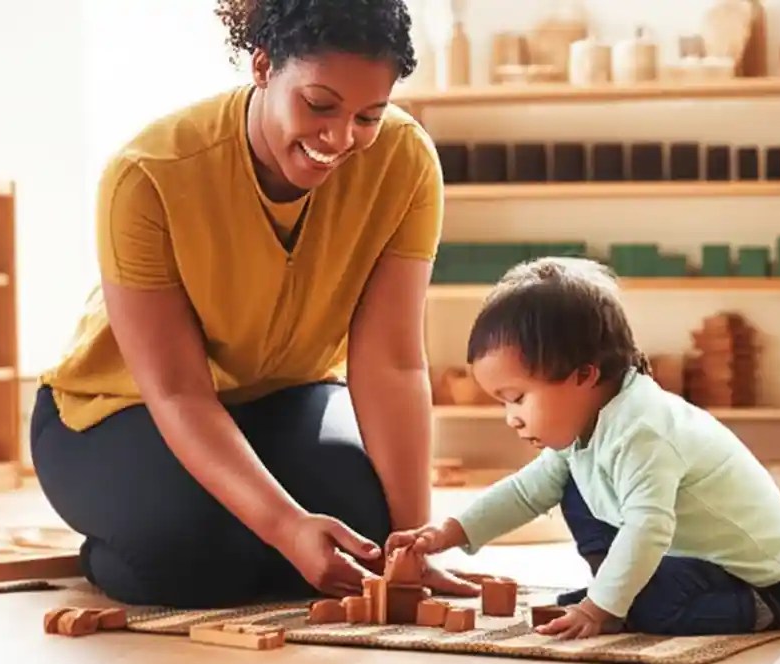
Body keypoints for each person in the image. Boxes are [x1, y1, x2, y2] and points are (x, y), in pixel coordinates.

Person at [30, 0, 482, 609]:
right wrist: (285, 525)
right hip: (117, 410)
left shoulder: (404, 161)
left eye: (368, 116)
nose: (341, 139)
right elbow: (178, 392)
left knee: (368, 534)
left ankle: (252, 536)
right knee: (193, 555)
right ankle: (121, 540)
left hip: (280, 397)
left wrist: (411, 548)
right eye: (319, 105)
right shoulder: (147, 175)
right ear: (263, 67)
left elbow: (392, 363)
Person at [387, 257, 780, 638]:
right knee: (567, 486)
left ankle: (776, 611)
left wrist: (598, 609)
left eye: (519, 398)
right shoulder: (588, 422)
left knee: (651, 610)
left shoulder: (643, 431)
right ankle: (618, 592)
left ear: (583, 375)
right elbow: (526, 492)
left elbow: (647, 529)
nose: (512, 418)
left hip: (759, 573)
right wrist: (450, 532)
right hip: (690, 555)